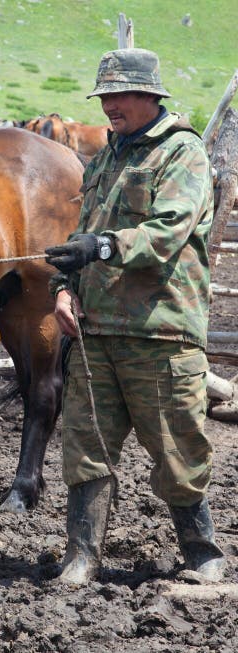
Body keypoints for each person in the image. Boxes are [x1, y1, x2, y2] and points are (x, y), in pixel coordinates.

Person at [44, 48, 226, 584]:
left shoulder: (182, 153)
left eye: (118, 95)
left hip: (160, 332)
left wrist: (101, 247)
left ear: (150, 95)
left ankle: (202, 553)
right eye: (103, 96)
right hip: (94, 331)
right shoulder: (105, 158)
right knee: (86, 446)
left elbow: (169, 231)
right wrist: (60, 289)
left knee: (177, 447)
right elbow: (81, 239)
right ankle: (82, 556)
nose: (108, 105)